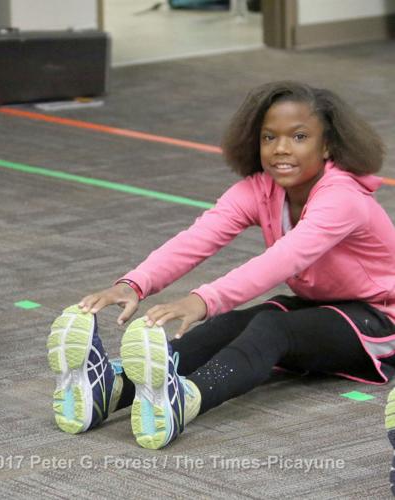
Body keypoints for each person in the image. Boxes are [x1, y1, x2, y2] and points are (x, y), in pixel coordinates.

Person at [49, 81, 394, 453]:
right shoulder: (260, 189)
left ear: (327, 146)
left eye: (299, 136)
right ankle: (114, 388)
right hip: (324, 306)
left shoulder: (342, 197)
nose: (281, 148)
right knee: (231, 324)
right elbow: (198, 238)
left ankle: (186, 399)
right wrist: (133, 284)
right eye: (269, 137)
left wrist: (203, 300)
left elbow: (282, 260)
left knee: (272, 328)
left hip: (382, 321)